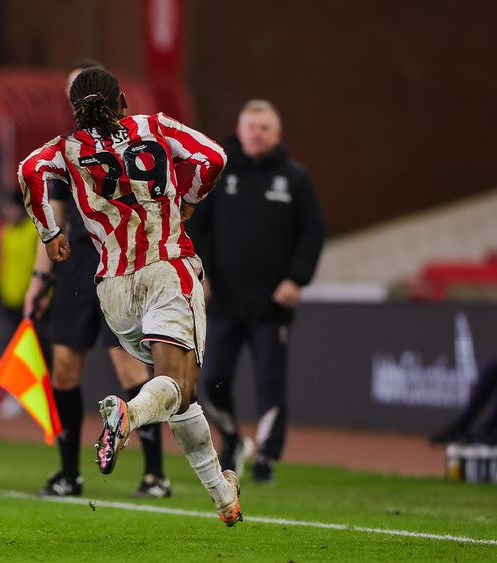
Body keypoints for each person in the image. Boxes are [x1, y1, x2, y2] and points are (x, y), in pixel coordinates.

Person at [18, 67, 242, 526]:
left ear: (75, 110)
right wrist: (191, 199)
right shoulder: (154, 127)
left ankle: (223, 497)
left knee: (181, 394)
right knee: (175, 384)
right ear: (122, 102)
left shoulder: (66, 149)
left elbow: (29, 170)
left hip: (114, 289)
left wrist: (49, 233)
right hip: (165, 269)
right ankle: (128, 417)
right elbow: (214, 157)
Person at [24, 60, 170, 499]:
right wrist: (38, 280)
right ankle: (70, 474)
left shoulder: (135, 140)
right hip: (75, 268)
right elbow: (52, 220)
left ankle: (155, 474)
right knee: (64, 372)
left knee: (130, 368)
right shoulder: (64, 152)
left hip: (121, 263)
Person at [187, 100, 324, 484]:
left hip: (271, 305)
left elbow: (312, 234)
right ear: (239, 130)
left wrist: (296, 279)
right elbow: (198, 230)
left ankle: (267, 457)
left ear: (277, 134)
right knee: (211, 380)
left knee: (270, 384)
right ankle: (231, 438)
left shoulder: (295, 178)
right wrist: (203, 274)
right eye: (251, 127)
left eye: (264, 128)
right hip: (225, 302)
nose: (257, 133)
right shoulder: (221, 176)